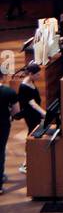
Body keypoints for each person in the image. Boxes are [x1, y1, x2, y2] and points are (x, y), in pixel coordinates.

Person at [16, 62, 45, 173]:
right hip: (30, 114)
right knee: (31, 136)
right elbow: (32, 104)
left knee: (33, 135)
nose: (39, 76)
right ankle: (25, 164)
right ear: (31, 74)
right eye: (37, 74)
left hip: (34, 114)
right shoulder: (24, 87)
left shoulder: (31, 81)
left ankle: (32, 158)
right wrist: (44, 113)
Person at [0, 64, 17, 193]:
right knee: (0, 151)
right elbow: (16, 111)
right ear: (3, 76)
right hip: (3, 124)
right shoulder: (9, 92)